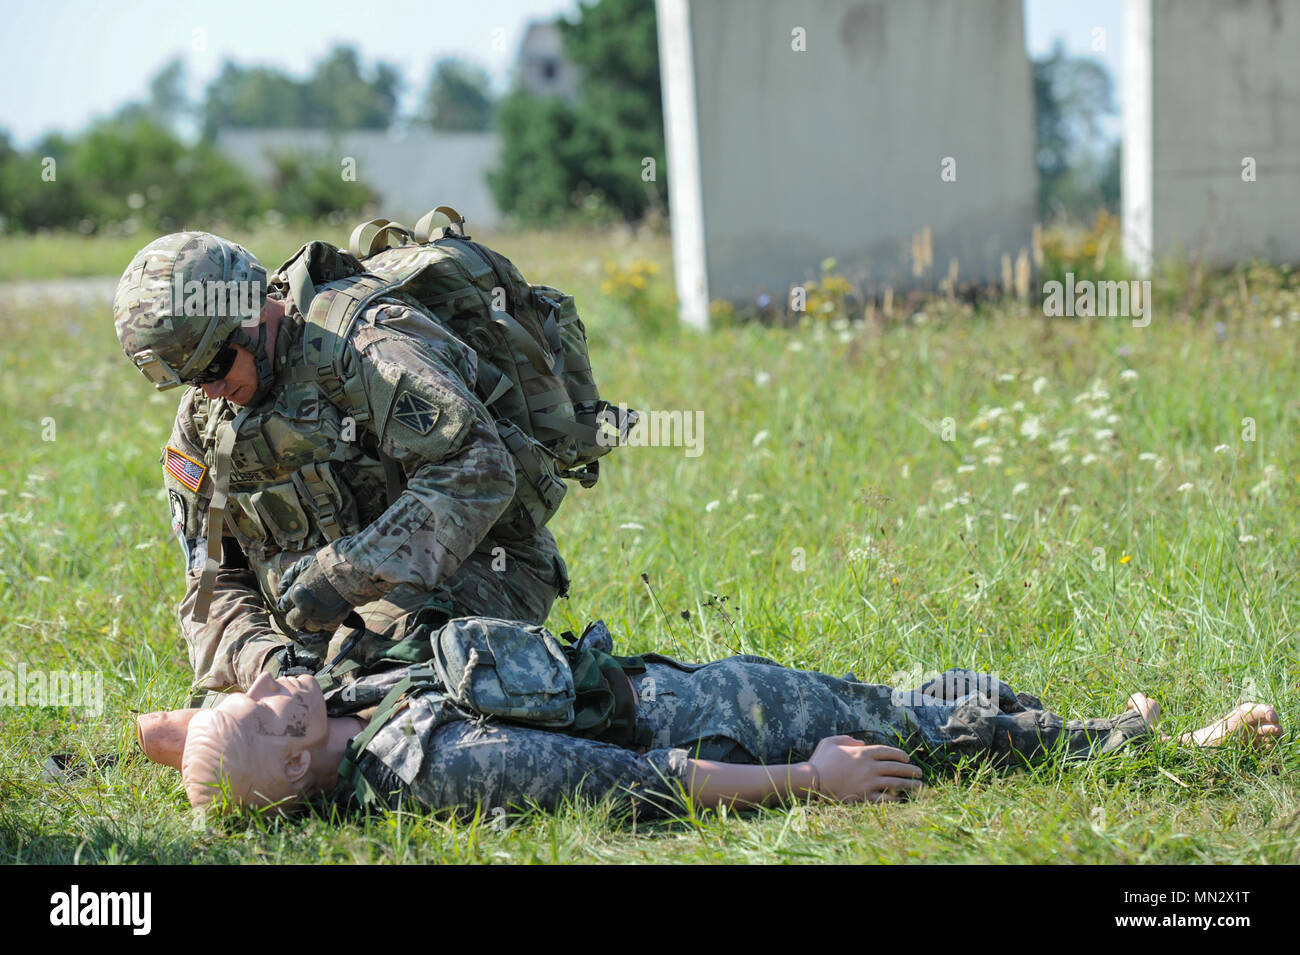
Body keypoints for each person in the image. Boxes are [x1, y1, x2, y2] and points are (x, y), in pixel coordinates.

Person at [137, 628, 1283, 818]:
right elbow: (635, 782)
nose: (272, 679)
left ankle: (1087, 720)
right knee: (918, 732)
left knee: (907, 695)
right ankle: (1161, 746)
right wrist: (806, 777)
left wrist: (196, 747)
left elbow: (199, 738)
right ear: (299, 756)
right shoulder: (439, 763)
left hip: (678, 678)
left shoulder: (326, 720)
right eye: (262, 704)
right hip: (724, 726)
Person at [113, 232, 575, 700]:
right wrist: (265, 659)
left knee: (369, 694)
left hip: (474, 568)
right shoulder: (203, 419)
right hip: (321, 626)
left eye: (215, 368)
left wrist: (346, 572)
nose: (210, 391)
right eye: (192, 380)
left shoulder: (364, 348)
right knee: (244, 716)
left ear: (250, 312)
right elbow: (211, 579)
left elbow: (480, 469)